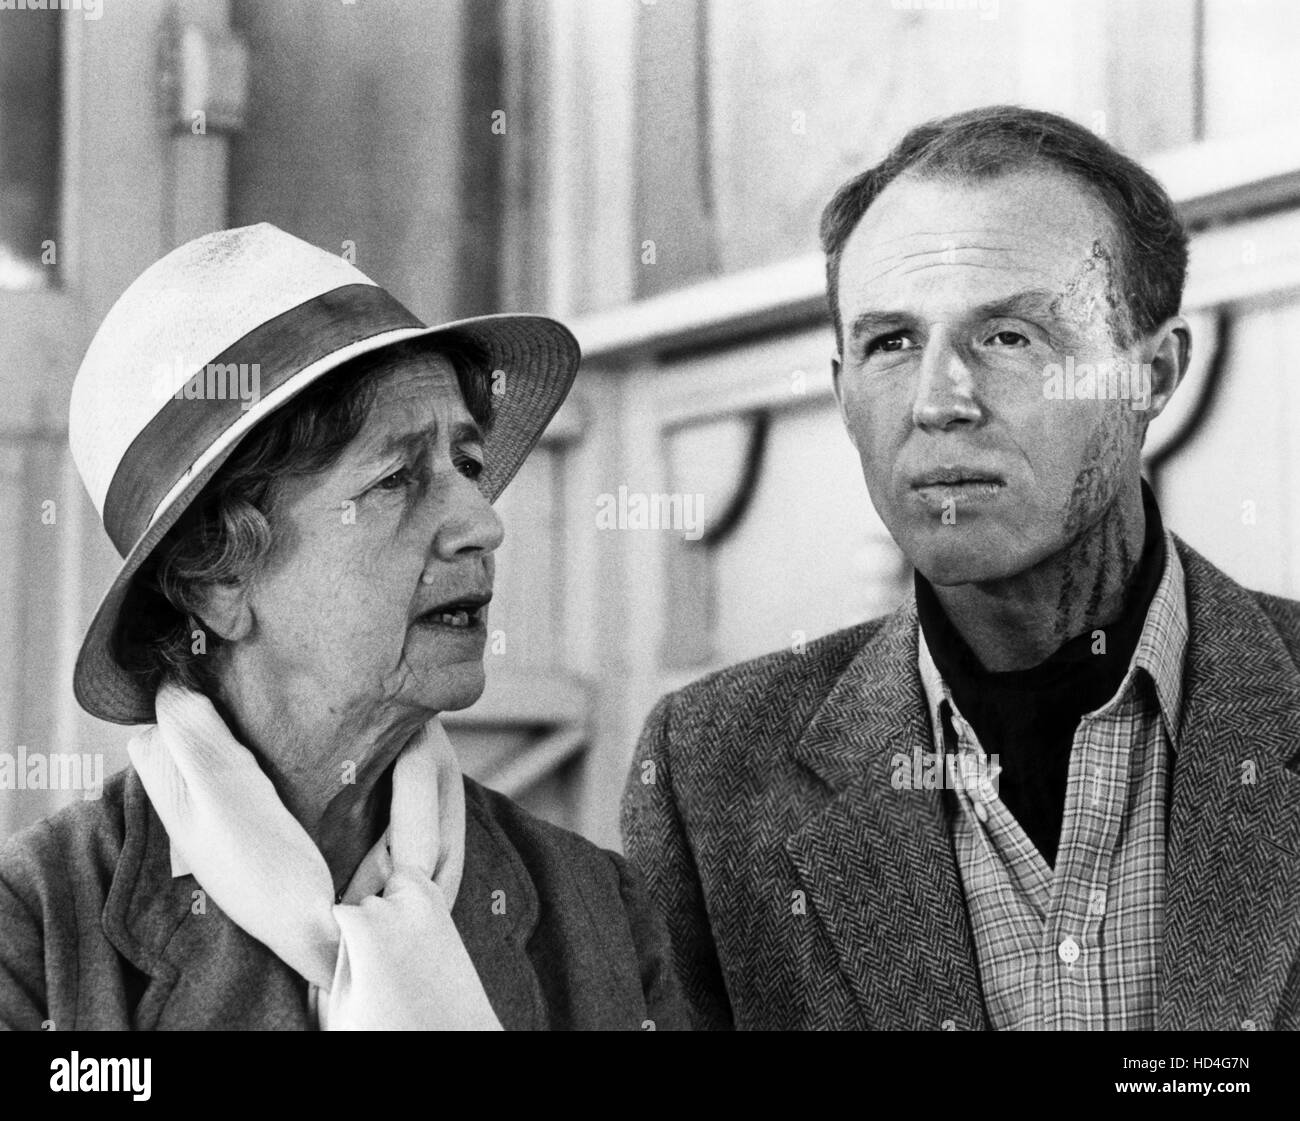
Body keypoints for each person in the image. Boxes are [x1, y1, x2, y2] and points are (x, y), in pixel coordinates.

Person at [622, 105, 1300, 1031]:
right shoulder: (710, 773)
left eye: (1010, 336)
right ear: (843, 395)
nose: (940, 401)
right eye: (891, 342)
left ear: (1155, 374)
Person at [0, 223, 687, 1030]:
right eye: (397, 478)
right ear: (217, 575)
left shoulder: (595, 910)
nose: (481, 522)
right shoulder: (37, 930)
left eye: (467, 466)